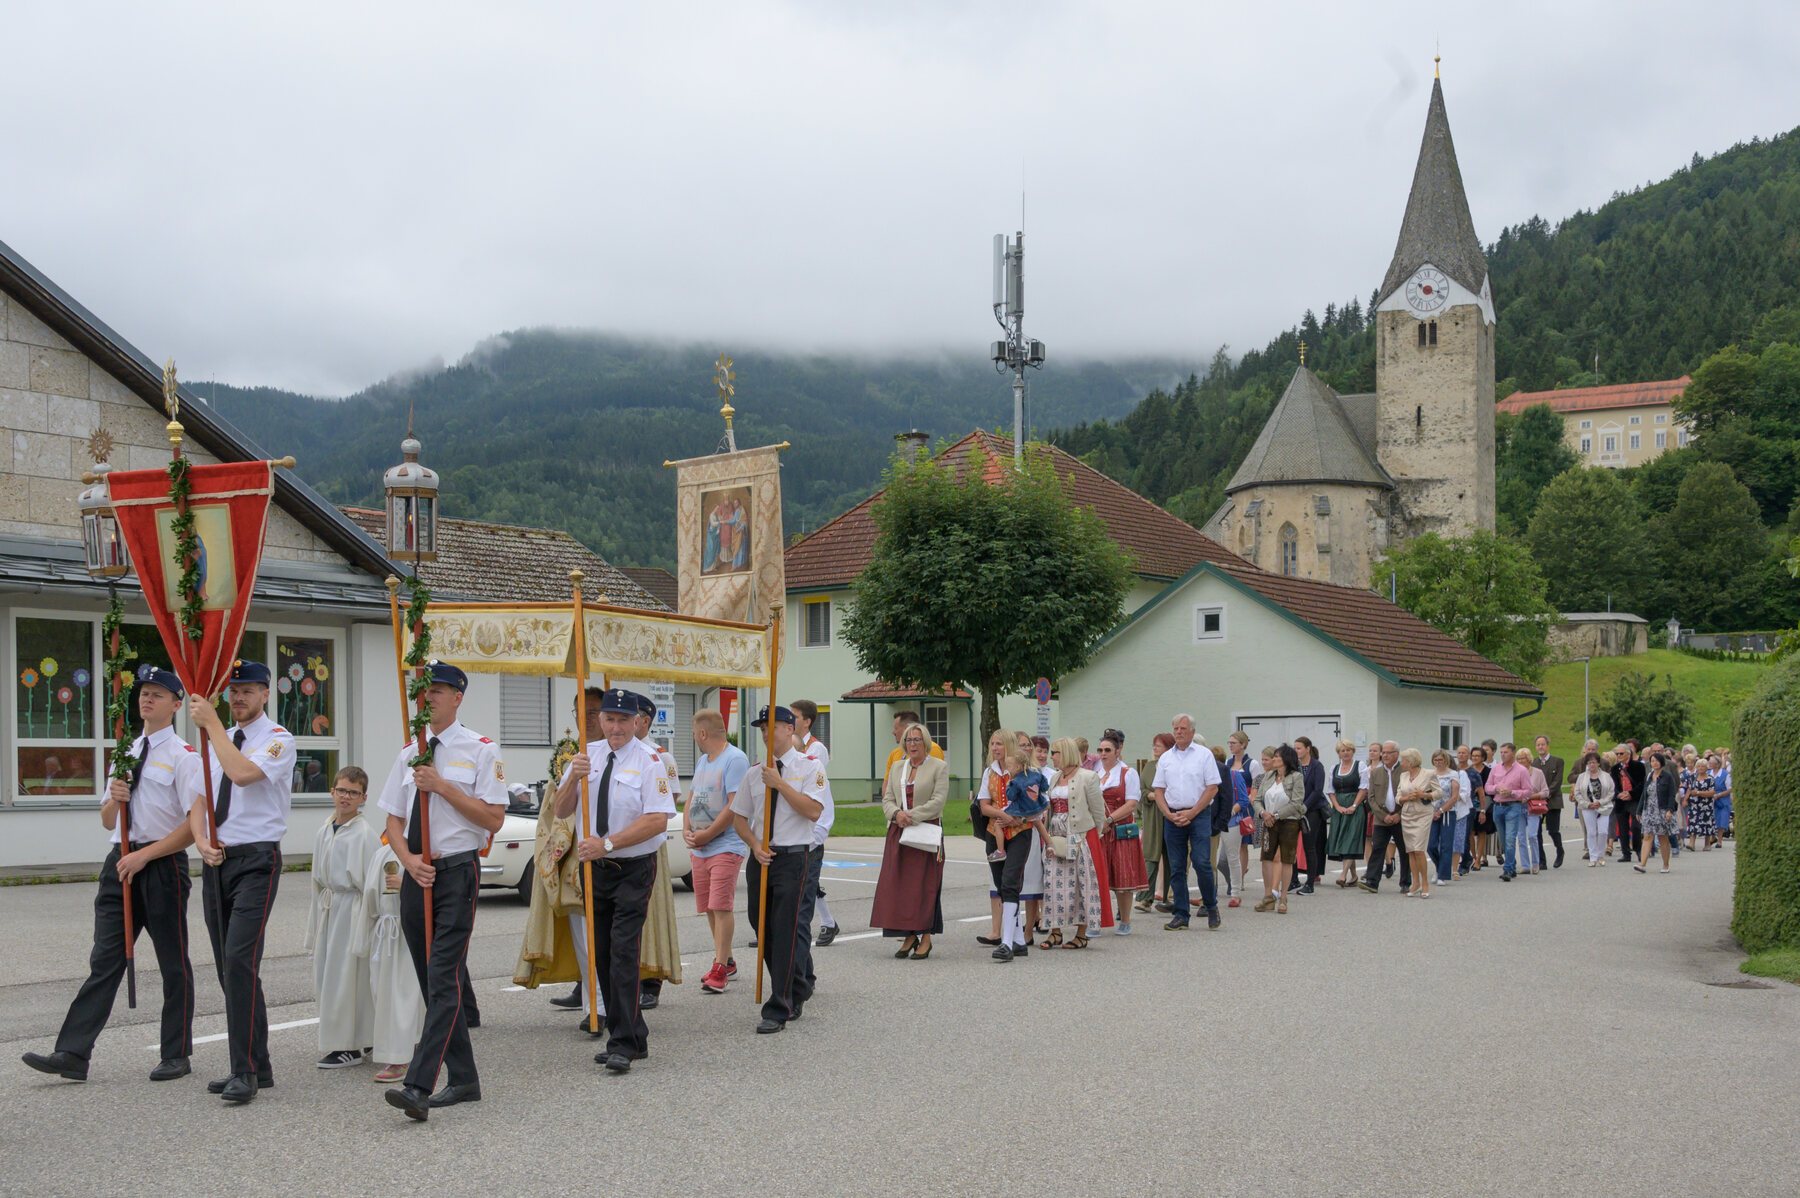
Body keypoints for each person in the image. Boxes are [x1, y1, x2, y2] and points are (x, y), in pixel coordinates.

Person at [22, 665, 199, 1086]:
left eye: (158, 694)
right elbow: (106, 820)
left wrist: (145, 857)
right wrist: (116, 797)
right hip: (118, 862)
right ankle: (72, 1052)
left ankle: (176, 1053)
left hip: (160, 865)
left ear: (176, 705)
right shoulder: (125, 751)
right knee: (104, 961)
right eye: (144, 692)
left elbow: (194, 827)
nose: (147, 699)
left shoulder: (183, 757)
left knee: (173, 963)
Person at [376, 662, 507, 1119]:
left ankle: (418, 1084)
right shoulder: (407, 752)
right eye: (423, 691)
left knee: (444, 975)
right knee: (431, 978)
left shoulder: (481, 751)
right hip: (419, 874)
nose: (428, 697)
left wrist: (443, 786)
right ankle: (465, 1077)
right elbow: (392, 818)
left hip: (456, 873)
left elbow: (493, 819)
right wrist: (408, 859)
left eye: (439, 690)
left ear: (458, 697)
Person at [187, 658, 294, 1104]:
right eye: (233, 692)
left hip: (257, 860)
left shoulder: (277, 740)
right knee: (230, 969)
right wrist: (200, 841)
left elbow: (243, 775)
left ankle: (244, 1070)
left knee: (239, 959)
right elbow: (197, 800)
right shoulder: (220, 739)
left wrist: (212, 727)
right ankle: (258, 1063)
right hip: (219, 862)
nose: (238, 698)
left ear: (266, 694)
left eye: (248, 690)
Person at [555, 687, 673, 1074]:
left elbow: (657, 820)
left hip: (632, 868)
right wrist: (573, 778)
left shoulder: (649, 760)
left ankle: (620, 1042)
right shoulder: (589, 756)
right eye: (610, 719)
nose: (616, 727)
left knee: (622, 952)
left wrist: (607, 843)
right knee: (602, 954)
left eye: (625, 720)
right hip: (597, 871)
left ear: (638, 722)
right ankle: (634, 1035)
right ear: (600, 720)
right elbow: (561, 810)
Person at [730, 706, 827, 1034]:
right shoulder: (754, 773)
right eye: (761, 730)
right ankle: (796, 984)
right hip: (761, 857)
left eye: (772, 728)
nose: (767, 734)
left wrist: (781, 784)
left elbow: (813, 810)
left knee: (785, 928)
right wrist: (755, 844)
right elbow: (739, 817)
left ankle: (780, 1004)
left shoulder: (808, 768)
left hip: (792, 857)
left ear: (789, 729)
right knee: (761, 926)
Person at [305, 766, 379, 1069]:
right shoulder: (325, 829)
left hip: (353, 911)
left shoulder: (364, 835)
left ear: (363, 798)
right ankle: (358, 1037)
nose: (346, 797)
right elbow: (316, 880)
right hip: (330, 908)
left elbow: (372, 883)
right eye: (342, 790)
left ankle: (348, 1044)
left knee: (348, 979)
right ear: (332, 792)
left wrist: (369, 922)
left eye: (353, 792)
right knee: (328, 975)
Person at [870, 722, 949, 960]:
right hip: (899, 833)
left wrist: (911, 816)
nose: (912, 744)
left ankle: (926, 937)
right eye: (908, 740)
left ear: (925, 742)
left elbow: (938, 801)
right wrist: (896, 814)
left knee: (924, 887)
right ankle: (908, 935)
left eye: (916, 740)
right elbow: (887, 799)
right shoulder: (897, 767)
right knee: (899, 887)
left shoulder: (938, 767)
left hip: (925, 832)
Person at [683, 709, 748, 994]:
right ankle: (727, 957)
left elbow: (735, 805)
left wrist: (708, 833)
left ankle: (720, 966)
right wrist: (687, 827)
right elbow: (692, 797)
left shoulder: (735, 759)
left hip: (725, 844)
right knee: (709, 906)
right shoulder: (702, 760)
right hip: (700, 848)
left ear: (702, 734)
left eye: (694, 733)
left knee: (721, 905)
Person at [358, 835, 425, 1085]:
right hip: (385, 932)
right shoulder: (382, 853)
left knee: (405, 997)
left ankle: (401, 1057)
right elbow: (369, 898)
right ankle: (405, 1047)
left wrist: (407, 885)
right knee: (384, 994)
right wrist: (363, 939)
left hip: (410, 930)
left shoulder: (426, 851)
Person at [631, 693, 683, 1012]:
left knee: (651, 916)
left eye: (630, 717)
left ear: (645, 721)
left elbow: (670, 803)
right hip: (615, 847)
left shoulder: (660, 756)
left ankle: (651, 982)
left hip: (649, 844)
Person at [1151, 714, 1221, 931]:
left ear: (1191, 731)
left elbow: (1212, 788)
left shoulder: (1204, 755)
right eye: (1175, 728)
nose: (1179, 732)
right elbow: (1159, 790)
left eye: (1183, 728)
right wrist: (1167, 814)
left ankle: (1211, 905)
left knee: (1201, 862)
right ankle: (1181, 914)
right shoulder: (1166, 759)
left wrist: (1192, 813)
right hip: (1173, 816)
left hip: (1198, 815)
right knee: (1177, 867)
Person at [1038, 738, 1111, 949]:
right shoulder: (1054, 778)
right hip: (1056, 835)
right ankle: (1055, 931)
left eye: (1055, 752)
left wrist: (1093, 837)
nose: (1052, 756)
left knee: (1080, 885)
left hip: (1079, 837)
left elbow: (1098, 812)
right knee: (1053, 883)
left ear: (1066, 753)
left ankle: (1081, 933)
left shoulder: (1088, 777)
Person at [978, 731, 1038, 961]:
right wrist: (1004, 814)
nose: (994, 748)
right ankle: (1019, 941)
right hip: (995, 833)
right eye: (992, 743)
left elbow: (1035, 806)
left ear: (1010, 746)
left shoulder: (1026, 772)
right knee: (1002, 885)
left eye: (999, 744)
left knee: (1010, 882)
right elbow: (984, 806)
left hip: (1020, 833)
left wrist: (1017, 818)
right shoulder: (989, 772)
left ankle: (1006, 942)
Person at [791, 699, 839, 946]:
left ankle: (822, 923)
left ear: (807, 721)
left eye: (794, 717)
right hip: (800, 818)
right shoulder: (793, 745)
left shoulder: (815, 749)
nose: (790, 721)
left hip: (816, 819)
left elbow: (800, 776)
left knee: (807, 873)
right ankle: (828, 922)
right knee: (804, 873)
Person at [1095, 731, 1147, 935]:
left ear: (1118, 751)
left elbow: (1131, 804)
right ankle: (1097, 920)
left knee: (1123, 878)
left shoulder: (1128, 773)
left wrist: (1108, 820)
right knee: (1099, 877)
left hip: (1121, 830)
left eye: (1107, 750)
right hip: (1100, 831)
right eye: (1100, 750)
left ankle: (1125, 920)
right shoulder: (1096, 774)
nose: (1103, 753)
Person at [1253, 745, 1306, 913]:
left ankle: (1283, 897)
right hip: (1268, 822)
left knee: (1286, 859)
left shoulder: (1296, 777)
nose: (1274, 759)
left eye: (1277, 757)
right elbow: (1257, 799)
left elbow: (1296, 803)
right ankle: (1268, 896)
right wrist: (1263, 813)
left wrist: (1275, 816)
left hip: (1288, 822)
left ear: (1286, 759)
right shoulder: (1268, 776)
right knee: (1266, 857)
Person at [1358, 742, 1411, 894]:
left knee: (1404, 850)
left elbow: (1410, 795)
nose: (1385, 755)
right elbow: (1371, 798)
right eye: (1384, 753)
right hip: (1381, 818)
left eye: (1389, 753)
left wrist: (1398, 815)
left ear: (1396, 754)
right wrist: (1383, 815)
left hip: (1400, 817)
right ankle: (1372, 882)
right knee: (1378, 849)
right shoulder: (1375, 772)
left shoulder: (1405, 771)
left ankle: (1406, 882)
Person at [1136, 731, 1176, 912]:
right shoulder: (1149, 767)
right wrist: (1151, 795)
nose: (1154, 749)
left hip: (1170, 814)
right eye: (1154, 745)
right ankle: (1145, 898)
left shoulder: (1174, 765)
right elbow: (1142, 790)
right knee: (1150, 856)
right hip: (1153, 816)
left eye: (1158, 746)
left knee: (1171, 858)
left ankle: (1168, 896)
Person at [1220, 731, 1261, 904]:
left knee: (1243, 846)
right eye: (1229, 743)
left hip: (1244, 808)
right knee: (1227, 855)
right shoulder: (1228, 763)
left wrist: (1252, 799)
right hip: (1230, 806)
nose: (1231, 746)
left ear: (1243, 744)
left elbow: (1256, 784)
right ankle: (1236, 879)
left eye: (1234, 743)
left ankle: (1239, 882)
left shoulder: (1252, 764)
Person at [1485, 742, 1532, 882]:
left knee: (1510, 839)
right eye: (1501, 752)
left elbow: (1528, 791)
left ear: (1513, 753)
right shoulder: (1496, 769)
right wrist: (1497, 788)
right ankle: (1511, 865)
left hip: (1513, 806)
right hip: (1498, 806)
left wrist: (1512, 792)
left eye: (1506, 752)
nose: (1503, 754)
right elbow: (1487, 787)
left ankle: (1507, 869)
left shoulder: (1521, 770)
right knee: (1504, 839)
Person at [1393, 749, 1437, 898]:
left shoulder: (1429, 774)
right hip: (1407, 814)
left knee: (1419, 849)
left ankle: (1425, 883)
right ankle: (1415, 882)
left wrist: (1423, 794)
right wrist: (1406, 798)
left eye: (1403, 760)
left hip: (1422, 813)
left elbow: (1439, 793)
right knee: (1410, 850)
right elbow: (1398, 797)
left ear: (1411, 761)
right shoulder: (1403, 775)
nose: (1401, 763)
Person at [1326, 739, 1366, 887]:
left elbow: (1364, 788)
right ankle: (1354, 875)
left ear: (1353, 751)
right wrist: (1336, 806)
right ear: (1338, 753)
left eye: (1348, 750)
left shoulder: (1360, 766)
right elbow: (1331, 790)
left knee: (1351, 839)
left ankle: (1342, 876)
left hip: (1355, 807)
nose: (1345, 753)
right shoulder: (1334, 768)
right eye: (1342, 750)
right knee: (1343, 840)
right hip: (1339, 808)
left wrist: (1354, 805)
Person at [1291, 736, 1328, 895]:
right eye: (1295, 748)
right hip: (1295, 809)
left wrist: (1304, 806)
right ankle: (1293, 880)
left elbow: (1317, 790)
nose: (1296, 751)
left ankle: (1310, 883)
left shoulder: (1317, 766)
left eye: (1299, 748)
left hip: (1312, 810)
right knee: (1291, 845)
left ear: (1307, 748)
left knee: (1309, 846)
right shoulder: (1294, 766)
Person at [1428, 749, 1467, 888]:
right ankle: (1439, 867)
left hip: (1448, 813)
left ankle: (1443, 875)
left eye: (1441, 760)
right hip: (1431, 813)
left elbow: (1454, 796)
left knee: (1446, 844)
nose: (1438, 763)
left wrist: (1441, 810)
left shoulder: (1453, 774)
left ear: (1446, 760)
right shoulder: (1430, 774)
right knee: (1431, 844)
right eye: (1436, 760)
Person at [1634, 751, 1678, 874]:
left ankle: (1665, 864)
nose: (1654, 763)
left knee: (1662, 837)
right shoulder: (1649, 776)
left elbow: (1671, 794)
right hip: (1649, 810)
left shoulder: (1667, 776)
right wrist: (1639, 809)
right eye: (1652, 761)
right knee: (1647, 836)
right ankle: (1642, 864)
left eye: (1657, 761)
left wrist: (1669, 810)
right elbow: (1644, 793)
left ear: (1661, 762)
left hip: (1662, 810)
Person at [1571, 753, 1614, 868]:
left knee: (1603, 831)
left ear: (1598, 763)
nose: (1592, 765)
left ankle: (1601, 855)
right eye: (1589, 762)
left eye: (1594, 762)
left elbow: (1611, 792)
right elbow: (1577, 793)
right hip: (1587, 808)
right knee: (1591, 832)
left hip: (1604, 807)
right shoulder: (1582, 777)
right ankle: (1593, 856)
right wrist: (1587, 804)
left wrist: (1601, 802)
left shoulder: (1606, 776)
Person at [1533, 736, 1567, 869]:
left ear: (1547, 746)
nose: (1540, 747)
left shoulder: (1558, 761)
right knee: (1536, 832)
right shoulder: (1534, 763)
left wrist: (1545, 794)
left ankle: (1560, 850)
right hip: (1536, 802)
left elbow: (1557, 782)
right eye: (1538, 745)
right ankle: (1542, 861)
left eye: (1542, 744)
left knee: (1553, 830)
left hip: (1553, 801)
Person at [1611, 743, 1647, 865]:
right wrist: (1619, 794)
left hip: (1634, 800)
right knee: (1622, 828)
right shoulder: (1615, 768)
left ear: (1628, 753)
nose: (1619, 756)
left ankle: (1638, 850)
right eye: (1617, 754)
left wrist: (1631, 793)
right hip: (1621, 801)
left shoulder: (1638, 766)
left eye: (1621, 753)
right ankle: (1625, 853)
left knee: (1636, 826)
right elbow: (1613, 785)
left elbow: (1642, 784)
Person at [883, 710, 942, 784]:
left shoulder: (932, 748)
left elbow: (935, 783)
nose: (893, 732)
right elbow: (887, 786)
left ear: (907, 728)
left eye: (896, 728)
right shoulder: (894, 753)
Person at [1516, 748, 1549, 875]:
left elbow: (1546, 791)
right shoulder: (1515, 773)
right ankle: (1525, 865)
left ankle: (1536, 863)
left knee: (1532, 835)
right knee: (1521, 837)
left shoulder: (1538, 773)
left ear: (1529, 759)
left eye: (1522, 758)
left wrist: (1531, 796)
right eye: (1518, 759)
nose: (1520, 761)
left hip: (1534, 808)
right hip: (1519, 807)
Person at [1710, 752, 1732, 842]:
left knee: (1721, 820)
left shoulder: (1725, 774)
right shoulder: (1708, 773)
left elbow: (1730, 789)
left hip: (1723, 800)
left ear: (1717, 764)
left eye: (1711, 763)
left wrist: (1719, 795)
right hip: (1710, 799)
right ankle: (1712, 837)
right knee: (1711, 819)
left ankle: (1719, 840)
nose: (1709, 764)